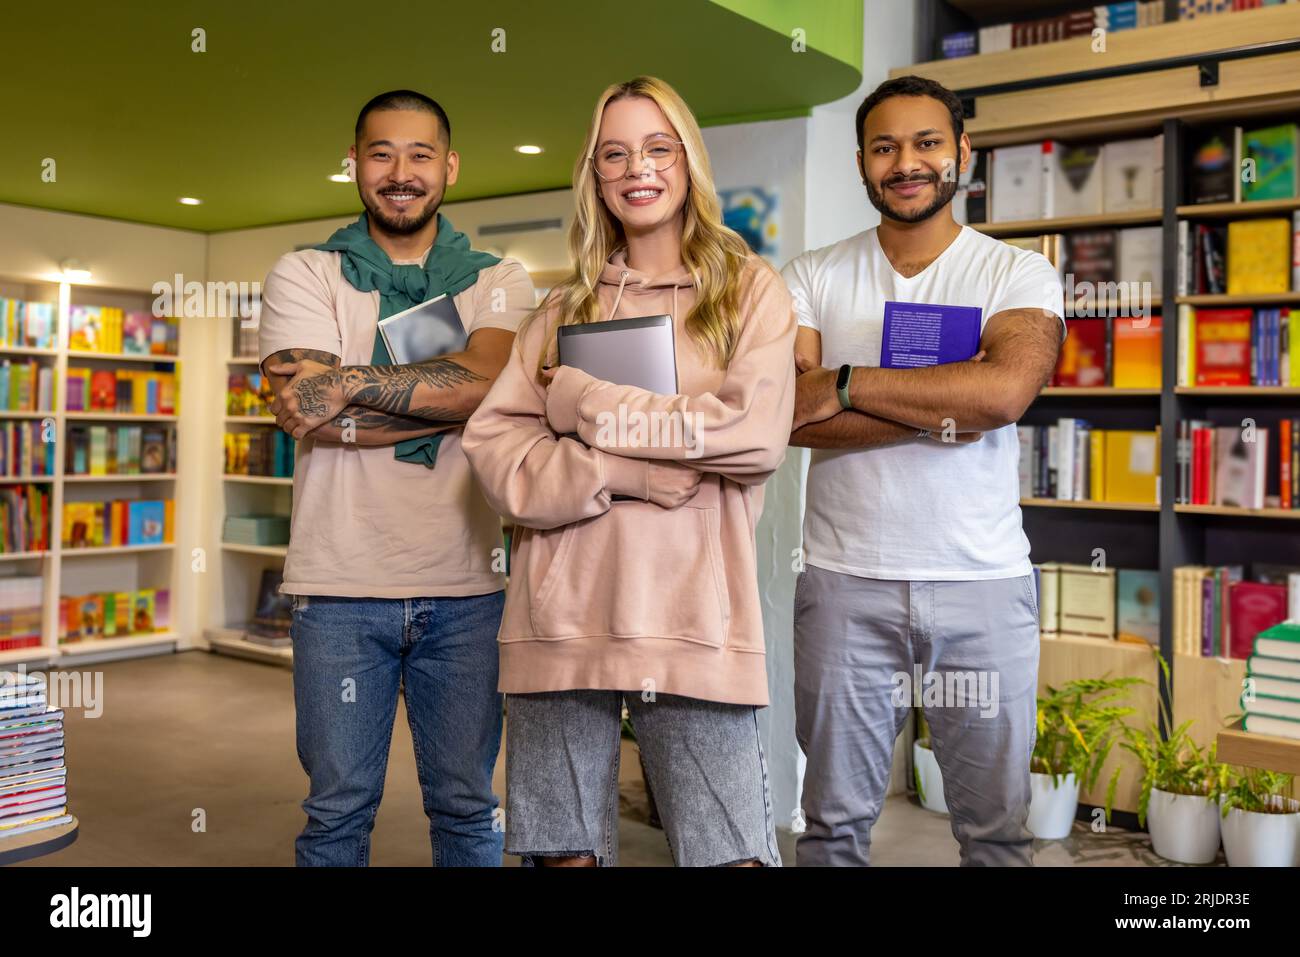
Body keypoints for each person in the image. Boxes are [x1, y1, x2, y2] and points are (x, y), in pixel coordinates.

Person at [461, 75, 795, 867]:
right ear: (596, 175)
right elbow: (496, 450)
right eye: (614, 154)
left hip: (694, 620)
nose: (636, 168)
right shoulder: (561, 310)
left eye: (656, 147)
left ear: (687, 161)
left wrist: (582, 400)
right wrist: (623, 473)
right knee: (563, 857)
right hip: (560, 622)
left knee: (730, 857)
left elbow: (751, 436)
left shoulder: (749, 292)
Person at [782, 75, 1065, 866]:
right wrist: (946, 400)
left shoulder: (1017, 273)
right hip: (842, 582)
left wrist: (844, 380)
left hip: (982, 583)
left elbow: (1003, 393)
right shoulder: (810, 276)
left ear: (961, 153)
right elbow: (783, 412)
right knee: (832, 829)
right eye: (884, 146)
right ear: (863, 163)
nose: (906, 162)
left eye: (926, 142)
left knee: (996, 832)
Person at [257, 89, 535, 866]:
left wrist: (349, 383)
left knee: (469, 811)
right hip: (339, 586)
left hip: (469, 589)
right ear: (354, 164)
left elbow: (490, 386)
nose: (401, 172)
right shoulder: (305, 272)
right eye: (381, 153)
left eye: (420, 154)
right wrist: (456, 402)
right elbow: (304, 409)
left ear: (449, 166)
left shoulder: (498, 278)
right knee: (336, 815)